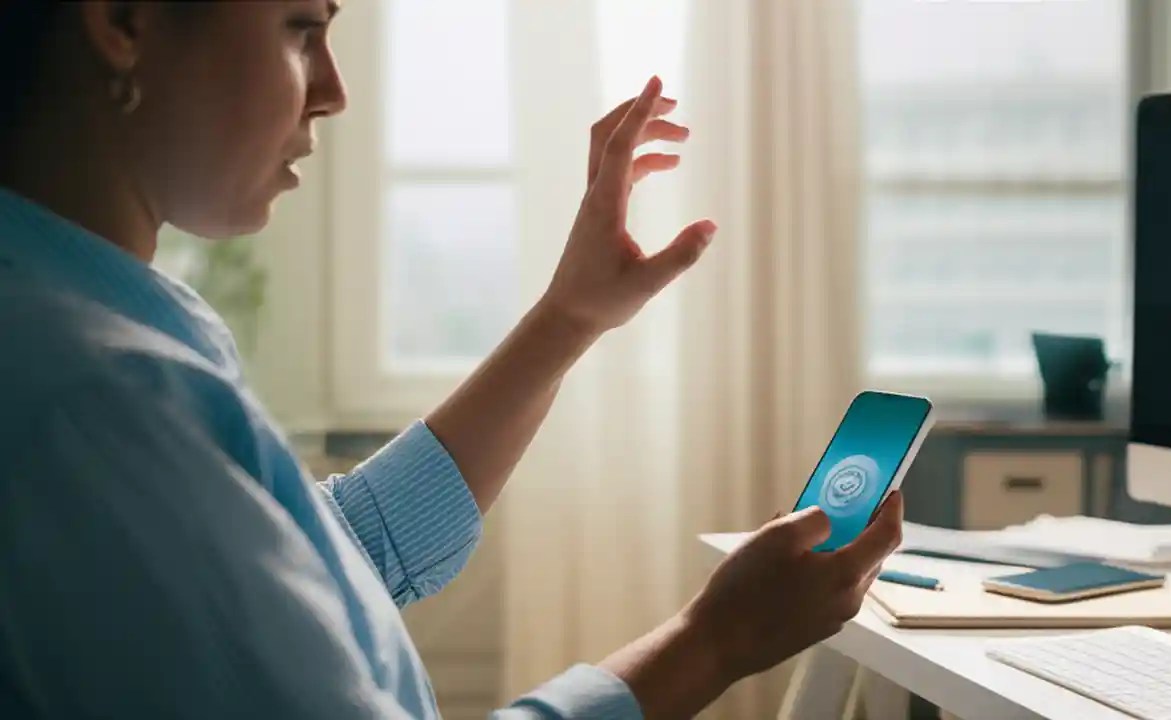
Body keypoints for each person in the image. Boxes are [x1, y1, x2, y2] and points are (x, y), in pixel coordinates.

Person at [0, 1, 904, 718]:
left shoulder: (87, 322)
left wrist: (570, 318)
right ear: (122, 20)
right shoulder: (90, 394)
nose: (334, 90)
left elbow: (333, 552)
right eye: (301, 29)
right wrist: (714, 641)